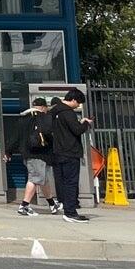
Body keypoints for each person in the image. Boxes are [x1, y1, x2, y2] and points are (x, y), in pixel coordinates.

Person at [4, 96, 59, 217]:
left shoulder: (23, 119)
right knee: (34, 178)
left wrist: (8, 151)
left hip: (28, 153)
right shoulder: (44, 117)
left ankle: (51, 204)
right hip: (40, 153)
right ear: (44, 107)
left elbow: (15, 137)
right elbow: (50, 134)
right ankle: (24, 205)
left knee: (42, 179)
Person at [45, 88, 94, 222]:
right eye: (78, 103)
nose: (78, 106)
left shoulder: (53, 112)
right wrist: (85, 123)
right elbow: (77, 130)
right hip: (70, 152)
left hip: (57, 152)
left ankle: (66, 208)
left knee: (62, 182)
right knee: (71, 183)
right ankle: (70, 212)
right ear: (73, 100)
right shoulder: (68, 113)